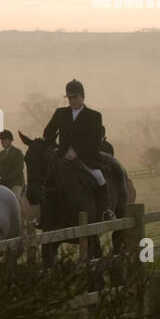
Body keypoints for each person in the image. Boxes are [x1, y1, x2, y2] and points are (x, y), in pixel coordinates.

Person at [42, 79, 115, 221]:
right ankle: (45, 214)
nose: (72, 100)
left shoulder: (94, 116)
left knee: (99, 177)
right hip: (63, 157)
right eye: (70, 97)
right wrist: (57, 149)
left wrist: (76, 152)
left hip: (86, 158)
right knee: (48, 179)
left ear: (83, 96)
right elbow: (47, 133)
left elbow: (94, 140)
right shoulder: (60, 113)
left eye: (75, 97)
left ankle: (106, 210)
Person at [0, 129, 26, 209]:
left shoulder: (17, 152)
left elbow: (19, 168)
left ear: (10, 140)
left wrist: (6, 178)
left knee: (14, 199)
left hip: (16, 183)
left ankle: (23, 218)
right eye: (1, 140)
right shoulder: (1, 154)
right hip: (5, 183)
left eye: (5, 139)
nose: (2, 142)